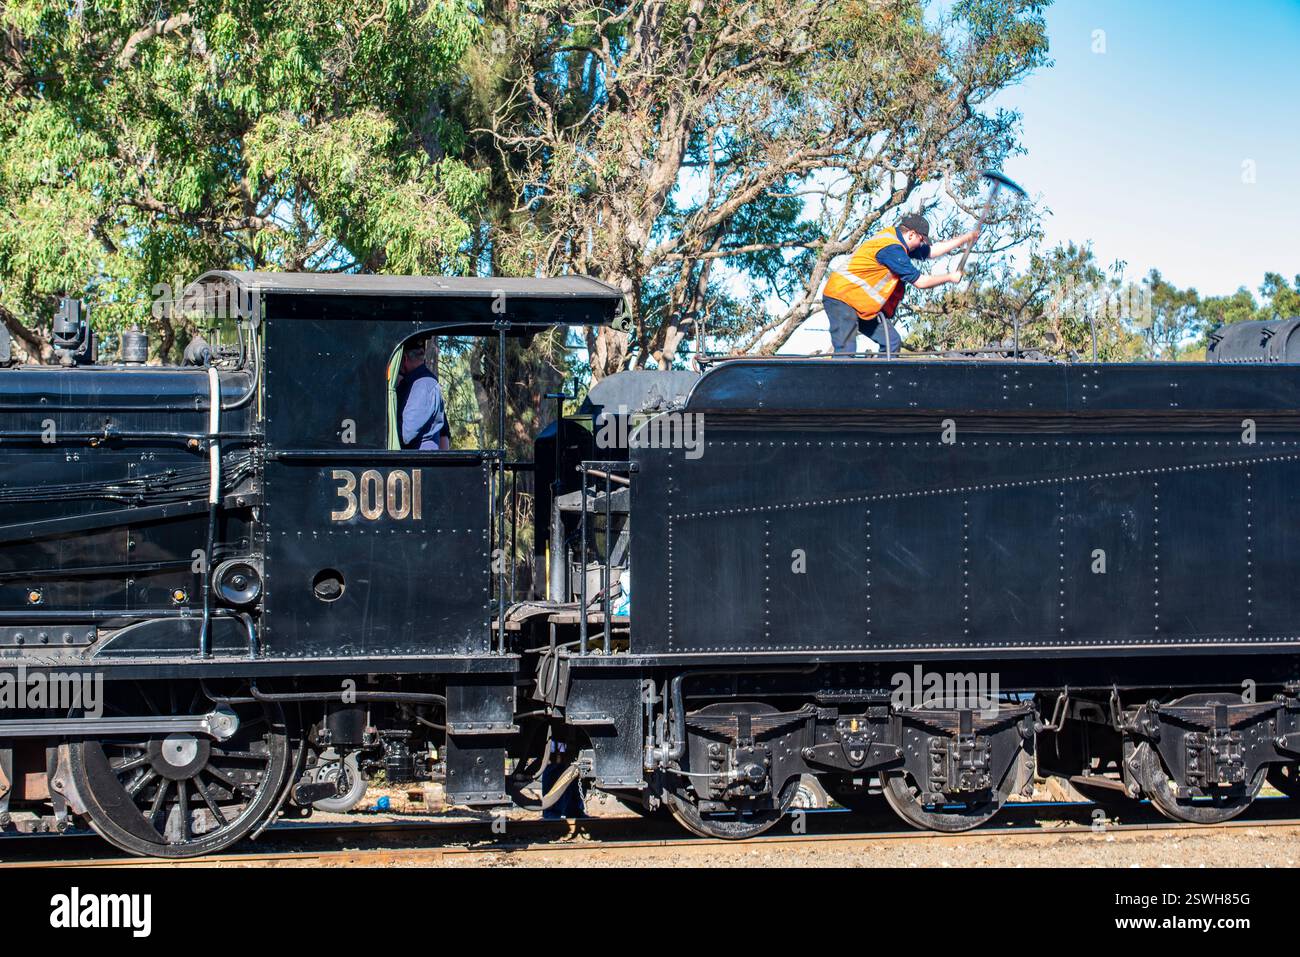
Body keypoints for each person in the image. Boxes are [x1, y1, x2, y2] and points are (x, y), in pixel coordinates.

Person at [822, 214, 980, 356]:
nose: (921, 245)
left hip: (861, 305)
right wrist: (950, 277)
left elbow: (932, 251)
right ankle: (841, 385)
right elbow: (920, 282)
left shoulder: (898, 240)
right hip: (841, 297)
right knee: (846, 351)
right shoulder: (892, 249)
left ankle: (878, 383)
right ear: (911, 234)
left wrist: (966, 238)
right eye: (921, 240)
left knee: (892, 342)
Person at [396, 341, 450, 450]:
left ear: (404, 358)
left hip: (417, 461)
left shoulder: (423, 384)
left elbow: (406, 433)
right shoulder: (414, 383)